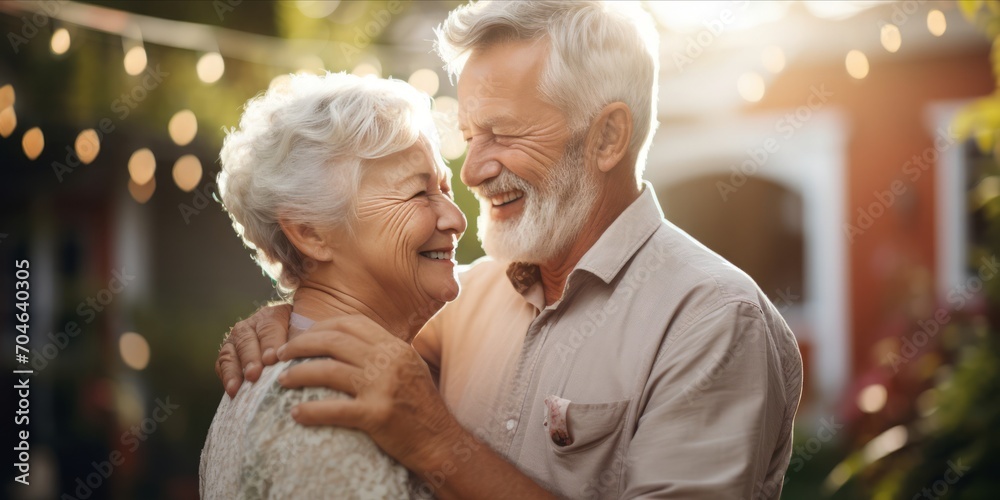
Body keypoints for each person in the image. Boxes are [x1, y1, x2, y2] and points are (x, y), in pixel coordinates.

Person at [216, 2, 804, 498]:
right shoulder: (460, 299)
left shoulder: (713, 321)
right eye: (469, 137)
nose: (470, 171)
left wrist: (439, 441)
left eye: (503, 133)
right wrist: (290, 315)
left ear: (607, 137)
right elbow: (356, 301)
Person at [199, 72, 468, 498]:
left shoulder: (312, 379)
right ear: (310, 233)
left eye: (445, 188)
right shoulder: (328, 402)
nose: (456, 218)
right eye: (419, 194)